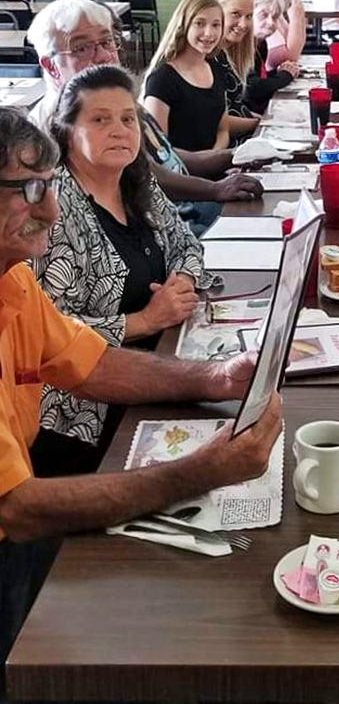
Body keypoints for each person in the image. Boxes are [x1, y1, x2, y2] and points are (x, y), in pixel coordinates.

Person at [0, 106, 281, 666]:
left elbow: (93, 364)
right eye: (31, 190)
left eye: (50, 186)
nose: (52, 209)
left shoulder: (15, 279)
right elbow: (17, 509)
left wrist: (214, 376)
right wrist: (199, 471)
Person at [31, 64, 211, 476]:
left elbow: (187, 244)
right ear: (67, 131)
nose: (119, 131)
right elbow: (45, 335)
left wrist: (181, 283)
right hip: (81, 411)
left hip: (157, 364)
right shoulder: (51, 209)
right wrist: (144, 320)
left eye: (128, 119)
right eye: (100, 120)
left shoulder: (135, 179)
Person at [27, 0, 263, 220]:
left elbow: (166, 156)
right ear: (50, 66)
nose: (104, 56)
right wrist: (215, 189)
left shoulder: (119, 102)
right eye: (81, 48)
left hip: (181, 212)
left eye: (107, 42)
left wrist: (236, 156)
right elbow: (147, 176)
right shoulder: (60, 127)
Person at [144, 0, 231, 152]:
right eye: (199, 23)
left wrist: (215, 156)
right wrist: (209, 160)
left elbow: (223, 129)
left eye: (216, 25)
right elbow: (159, 149)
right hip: (182, 166)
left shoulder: (215, 68)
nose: (209, 33)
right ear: (184, 25)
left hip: (218, 160)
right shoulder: (162, 79)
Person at [213, 0, 260, 138]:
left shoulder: (227, 53)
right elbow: (211, 120)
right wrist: (260, 124)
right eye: (236, 14)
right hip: (224, 145)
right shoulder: (207, 58)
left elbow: (237, 107)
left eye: (249, 16)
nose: (244, 24)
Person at [244, 0, 300, 115]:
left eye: (274, 17)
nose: (270, 22)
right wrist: (285, 76)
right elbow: (252, 88)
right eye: (263, 15)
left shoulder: (260, 43)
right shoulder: (241, 44)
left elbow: (259, 79)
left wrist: (278, 72)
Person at [246, 0, 307, 71]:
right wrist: (296, 19)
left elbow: (298, 46)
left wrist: (300, 18)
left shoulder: (275, 14)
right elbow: (288, 58)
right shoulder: (260, 17)